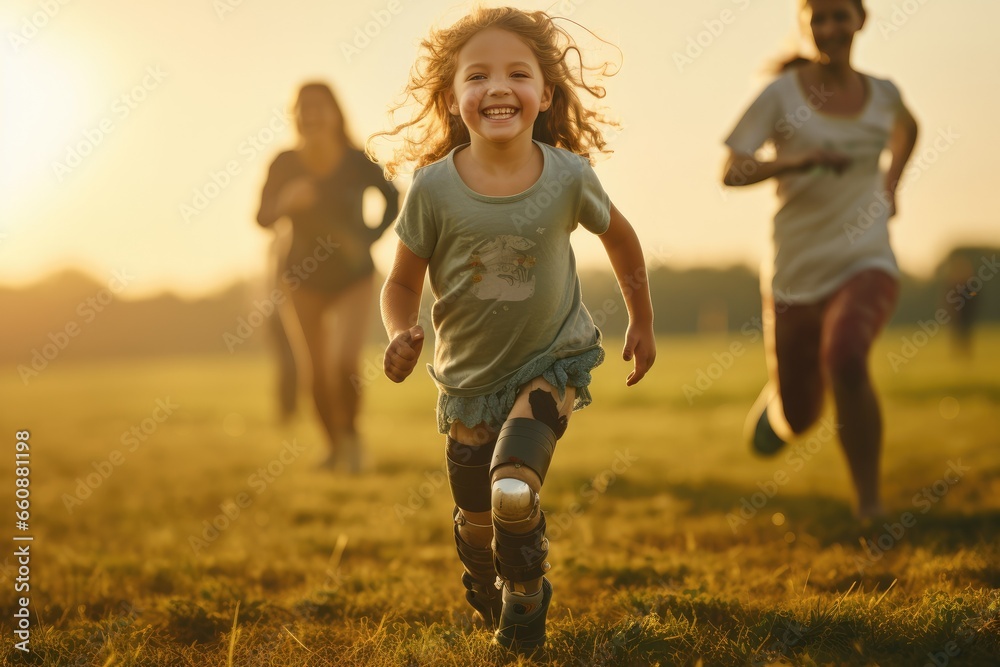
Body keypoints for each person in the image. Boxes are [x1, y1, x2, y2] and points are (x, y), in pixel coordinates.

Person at [370, 7, 655, 653]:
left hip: (551, 360)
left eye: (517, 73)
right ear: (452, 98)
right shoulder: (433, 189)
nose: (498, 87)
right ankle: (484, 572)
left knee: (511, 489)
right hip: (469, 383)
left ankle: (526, 594)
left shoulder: (567, 176)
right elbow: (401, 283)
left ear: (545, 94)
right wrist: (400, 331)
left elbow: (623, 239)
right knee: (477, 522)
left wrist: (642, 316)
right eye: (478, 76)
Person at [721, 0, 919, 519]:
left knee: (847, 358)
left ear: (861, 21)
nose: (831, 27)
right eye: (819, 17)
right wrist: (797, 160)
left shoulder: (884, 94)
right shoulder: (781, 96)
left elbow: (908, 129)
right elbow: (732, 170)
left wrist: (891, 185)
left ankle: (870, 505)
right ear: (805, 25)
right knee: (801, 416)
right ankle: (779, 409)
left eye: (840, 15)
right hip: (796, 270)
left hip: (866, 256)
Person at [257, 82, 399, 472]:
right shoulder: (284, 163)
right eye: (304, 108)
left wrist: (369, 237)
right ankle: (333, 447)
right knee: (315, 371)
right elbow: (262, 217)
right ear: (295, 117)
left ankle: (351, 440)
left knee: (344, 363)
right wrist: (285, 203)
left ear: (336, 114)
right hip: (301, 278)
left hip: (353, 275)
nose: (312, 115)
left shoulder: (356, 161)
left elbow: (392, 197)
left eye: (320, 107)